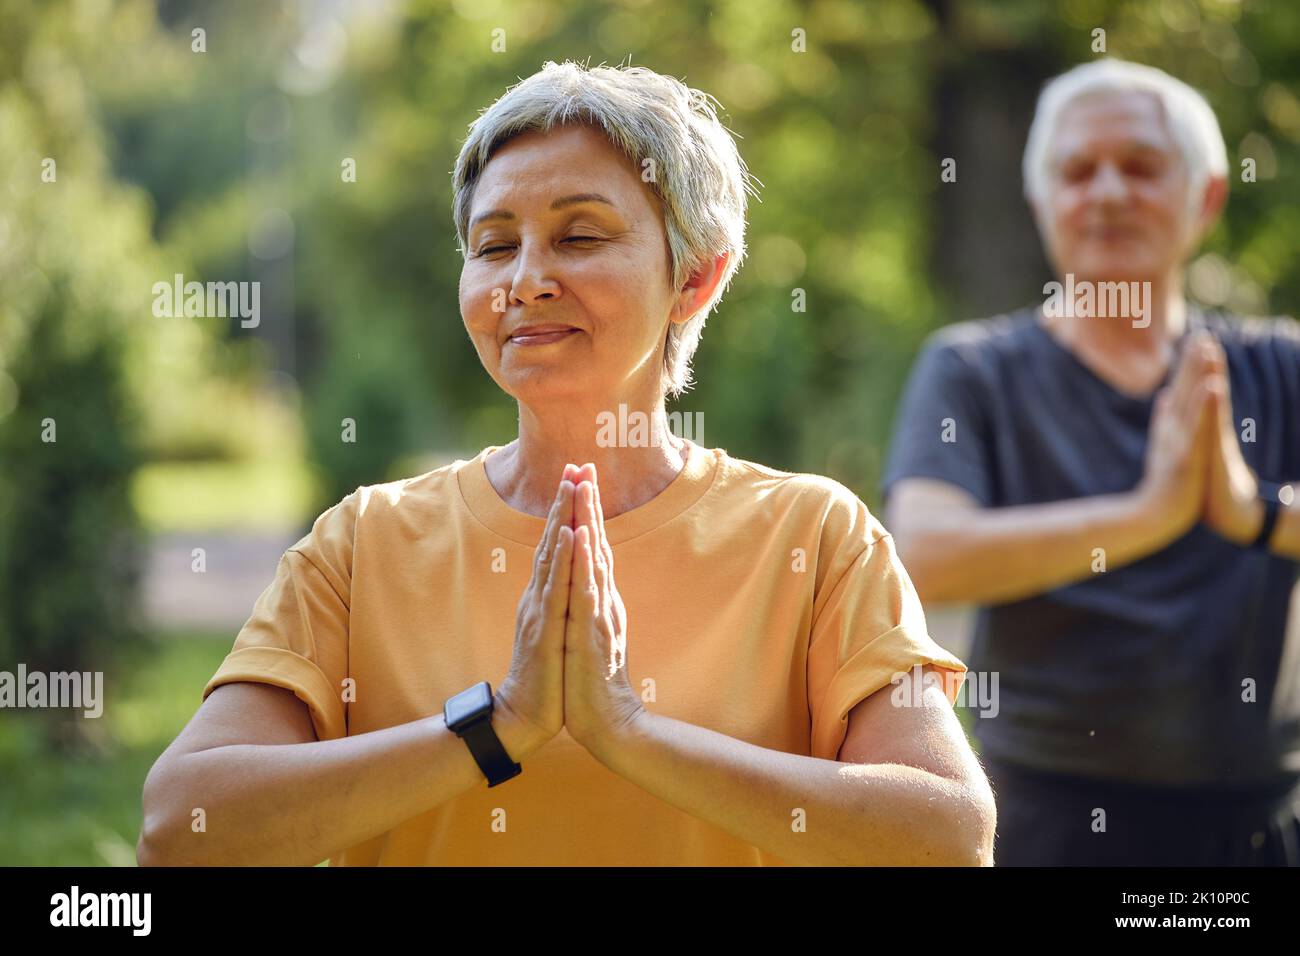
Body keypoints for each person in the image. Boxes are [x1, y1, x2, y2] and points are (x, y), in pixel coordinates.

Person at [137, 60, 995, 867]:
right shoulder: (363, 543)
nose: (527, 279)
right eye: (494, 245)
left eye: (580, 236)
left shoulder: (816, 537)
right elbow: (181, 828)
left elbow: (949, 833)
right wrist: (497, 729)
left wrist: (629, 733)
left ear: (695, 277)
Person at [882, 58, 1300, 866]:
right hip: (1046, 823)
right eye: (1077, 172)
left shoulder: (1280, 365)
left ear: (1205, 197)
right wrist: (1150, 513)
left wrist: (1251, 511)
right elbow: (924, 555)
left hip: (1260, 829)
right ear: (1043, 203)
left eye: (1141, 167)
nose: (1107, 191)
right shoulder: (975, 370)